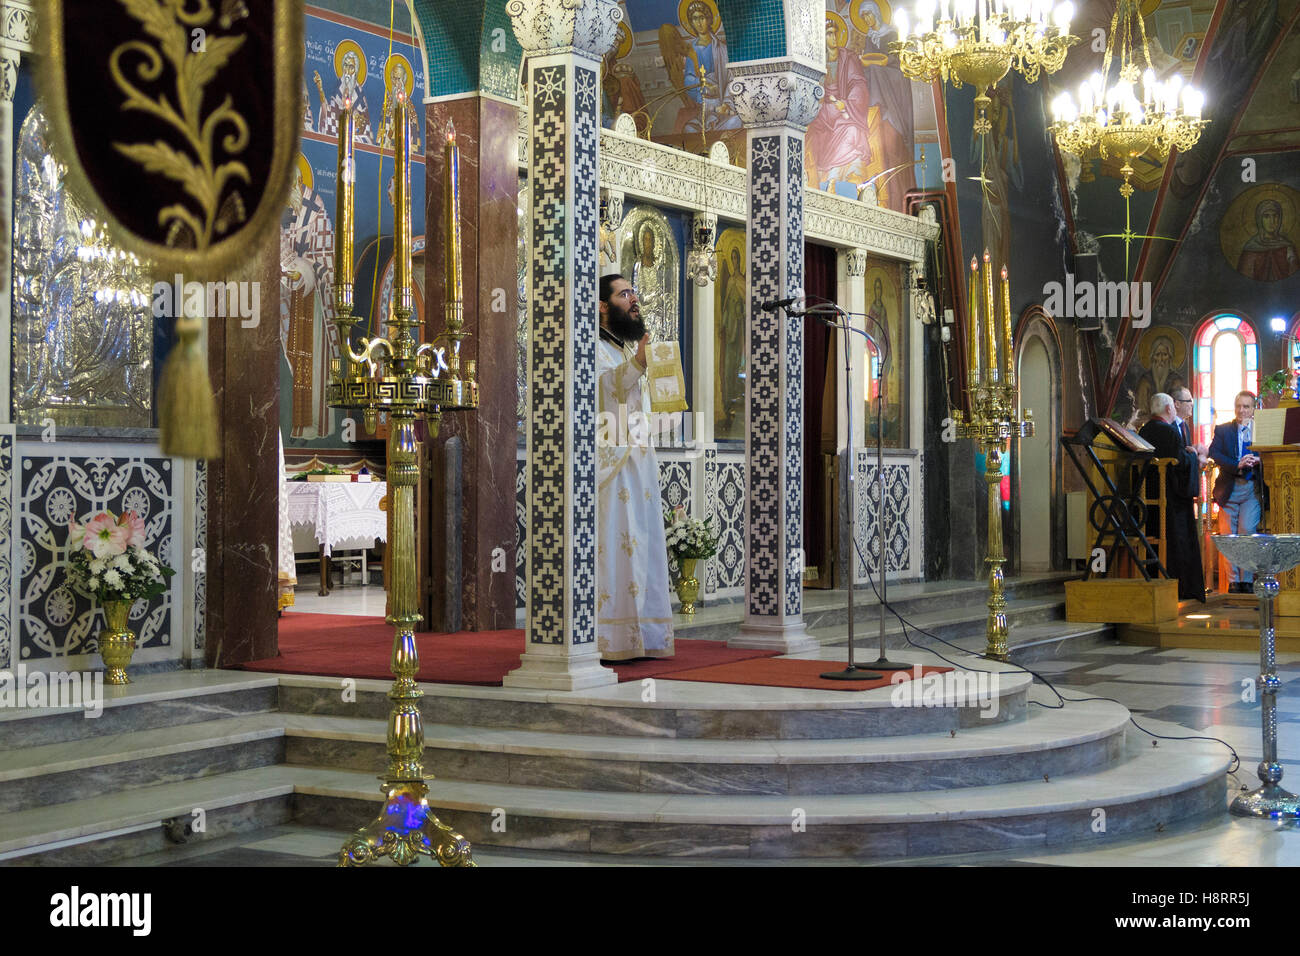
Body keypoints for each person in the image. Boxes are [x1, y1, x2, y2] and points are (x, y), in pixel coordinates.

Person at [596, 274, 675, 661]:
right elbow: (603, 389)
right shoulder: (593, 347)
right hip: (611, 469)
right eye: (623, 293)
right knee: (619, 548)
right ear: (602, 306)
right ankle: (613, 639)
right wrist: (639, 365)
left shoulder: (620, 350)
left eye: (634, 293)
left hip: (638, 465)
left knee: (642, 546)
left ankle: (644, 634)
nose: (633, 299)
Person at [1138, 393, 1206, 602]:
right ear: (1169, 409)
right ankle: (1181, 589)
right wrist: (1194, 455)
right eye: (1174, 409)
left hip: (1149, 500)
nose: (1176, 412)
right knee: (1178, 544)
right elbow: (1180, 462)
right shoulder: (1168, 432)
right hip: (1172, 501)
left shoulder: (1144, 430)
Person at [1209, 390, 1265, 592]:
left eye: (1246, 406)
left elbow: (1272, 454)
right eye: (1239, 406)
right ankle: (1234, 582)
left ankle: (1247, 580)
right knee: (1229, 536)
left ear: (1253, 409)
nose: (1242, 410)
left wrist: (1260, 460)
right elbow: (1214, 452)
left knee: (1247, 532)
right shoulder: (1224, 430)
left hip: (1251, 488)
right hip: (1229, 488)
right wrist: (1236, 464)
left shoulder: (1262, 430)